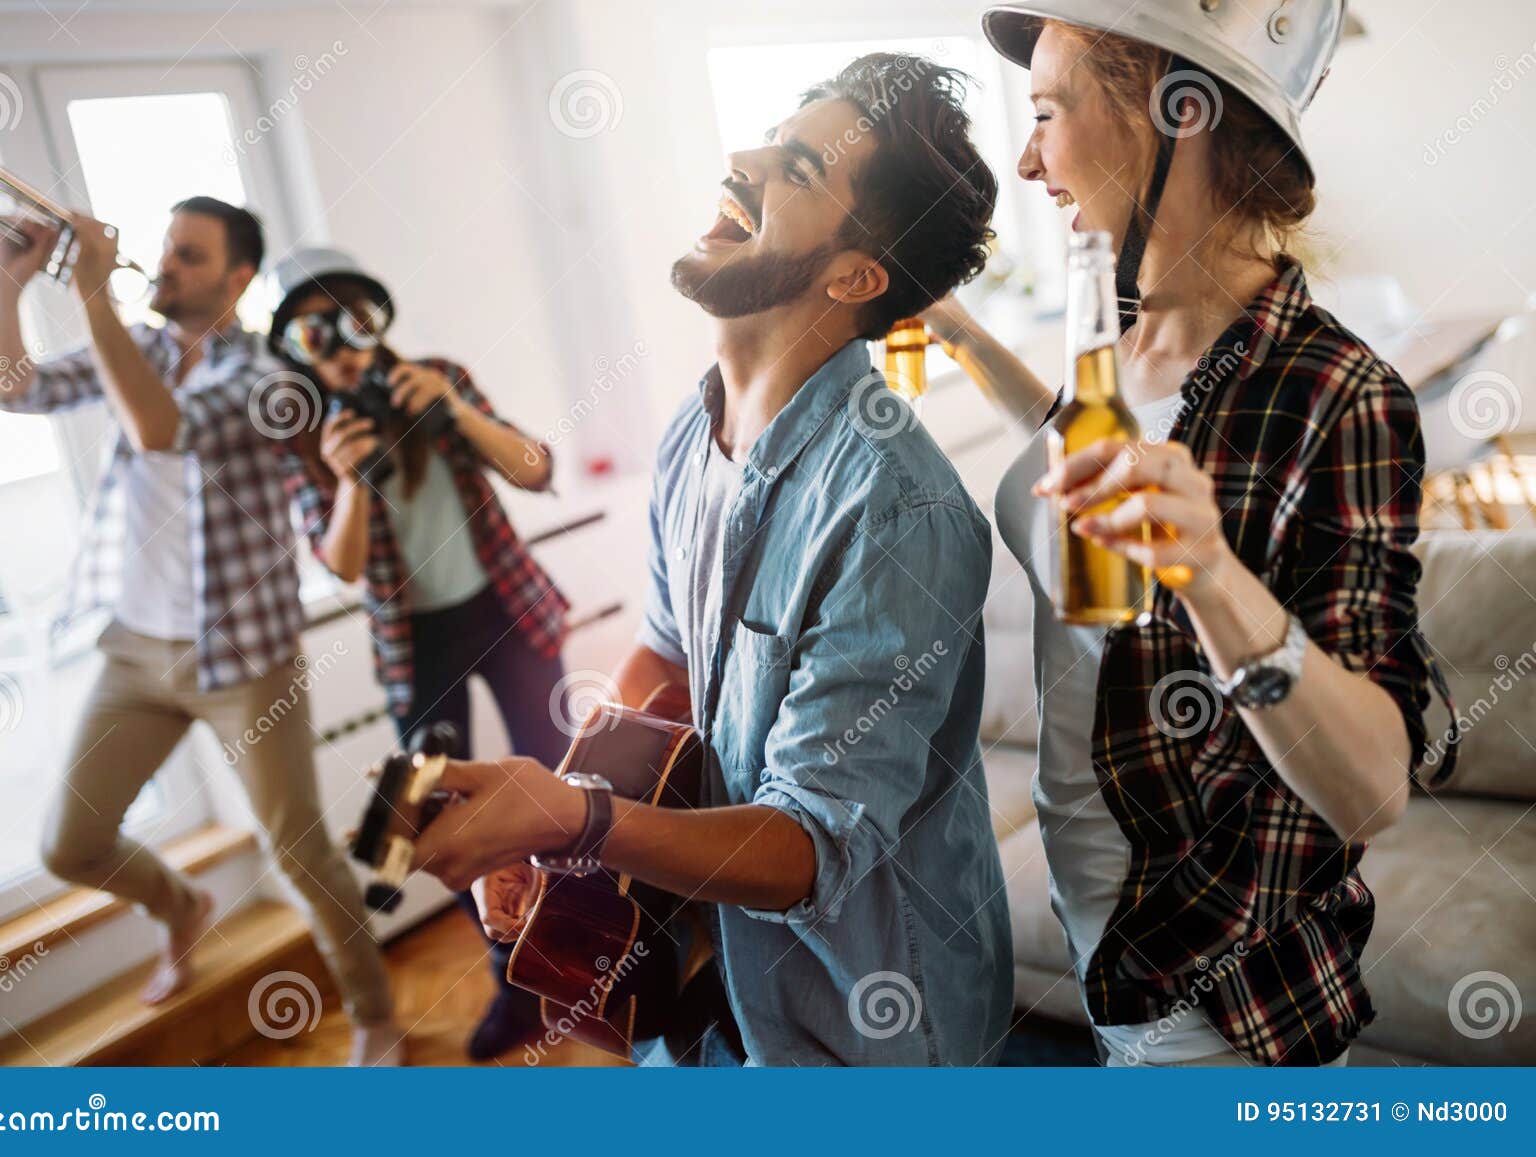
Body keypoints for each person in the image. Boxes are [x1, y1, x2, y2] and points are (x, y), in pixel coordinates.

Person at [407, 53, 1013, 1066]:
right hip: (708, 982)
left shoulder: (896, 509)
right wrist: (550, 838)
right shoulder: (696, 432)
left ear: (855, 276)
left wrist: (577, 815)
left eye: (798, 166)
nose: (741, 161)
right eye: (769, 138)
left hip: (868, 1027)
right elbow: (665, 667)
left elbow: (806, 847)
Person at [932, 0, 1457, 1066]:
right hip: (1093, 933)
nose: (1027, 159)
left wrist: (1210, 573)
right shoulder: (1115, 335)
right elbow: (1085, 453)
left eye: (1045, 112)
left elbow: (1376, 786)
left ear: (1176, 113)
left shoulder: (1339, 393)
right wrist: (954, 327)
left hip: (1209, 989)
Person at [0, 198, 404, 1067]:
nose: (164, 265)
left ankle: (376, 1015)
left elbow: (158, 430)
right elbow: (12, 388)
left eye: (188, 255)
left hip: (245, 659)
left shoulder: (266, 379)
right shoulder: (135, 348)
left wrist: (92, 294)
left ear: (236, 278)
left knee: (301, 853)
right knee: (71, 843)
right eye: (166, 249)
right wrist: (4, 279)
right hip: (135, 649)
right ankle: (177, 905)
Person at [273, 248, 571, 1061]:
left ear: (378, 318)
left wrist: (452, 411)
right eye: (313, 332)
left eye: (354, 320)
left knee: (558, 788)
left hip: (507, 610)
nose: (338, 343)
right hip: (415, 645)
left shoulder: (438, 377)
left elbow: (537, 469)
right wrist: (349, 478)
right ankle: (515, 987)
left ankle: (590, 955)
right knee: (443, 817)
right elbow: (338, 565)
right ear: (293, 349)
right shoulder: (306, 440)